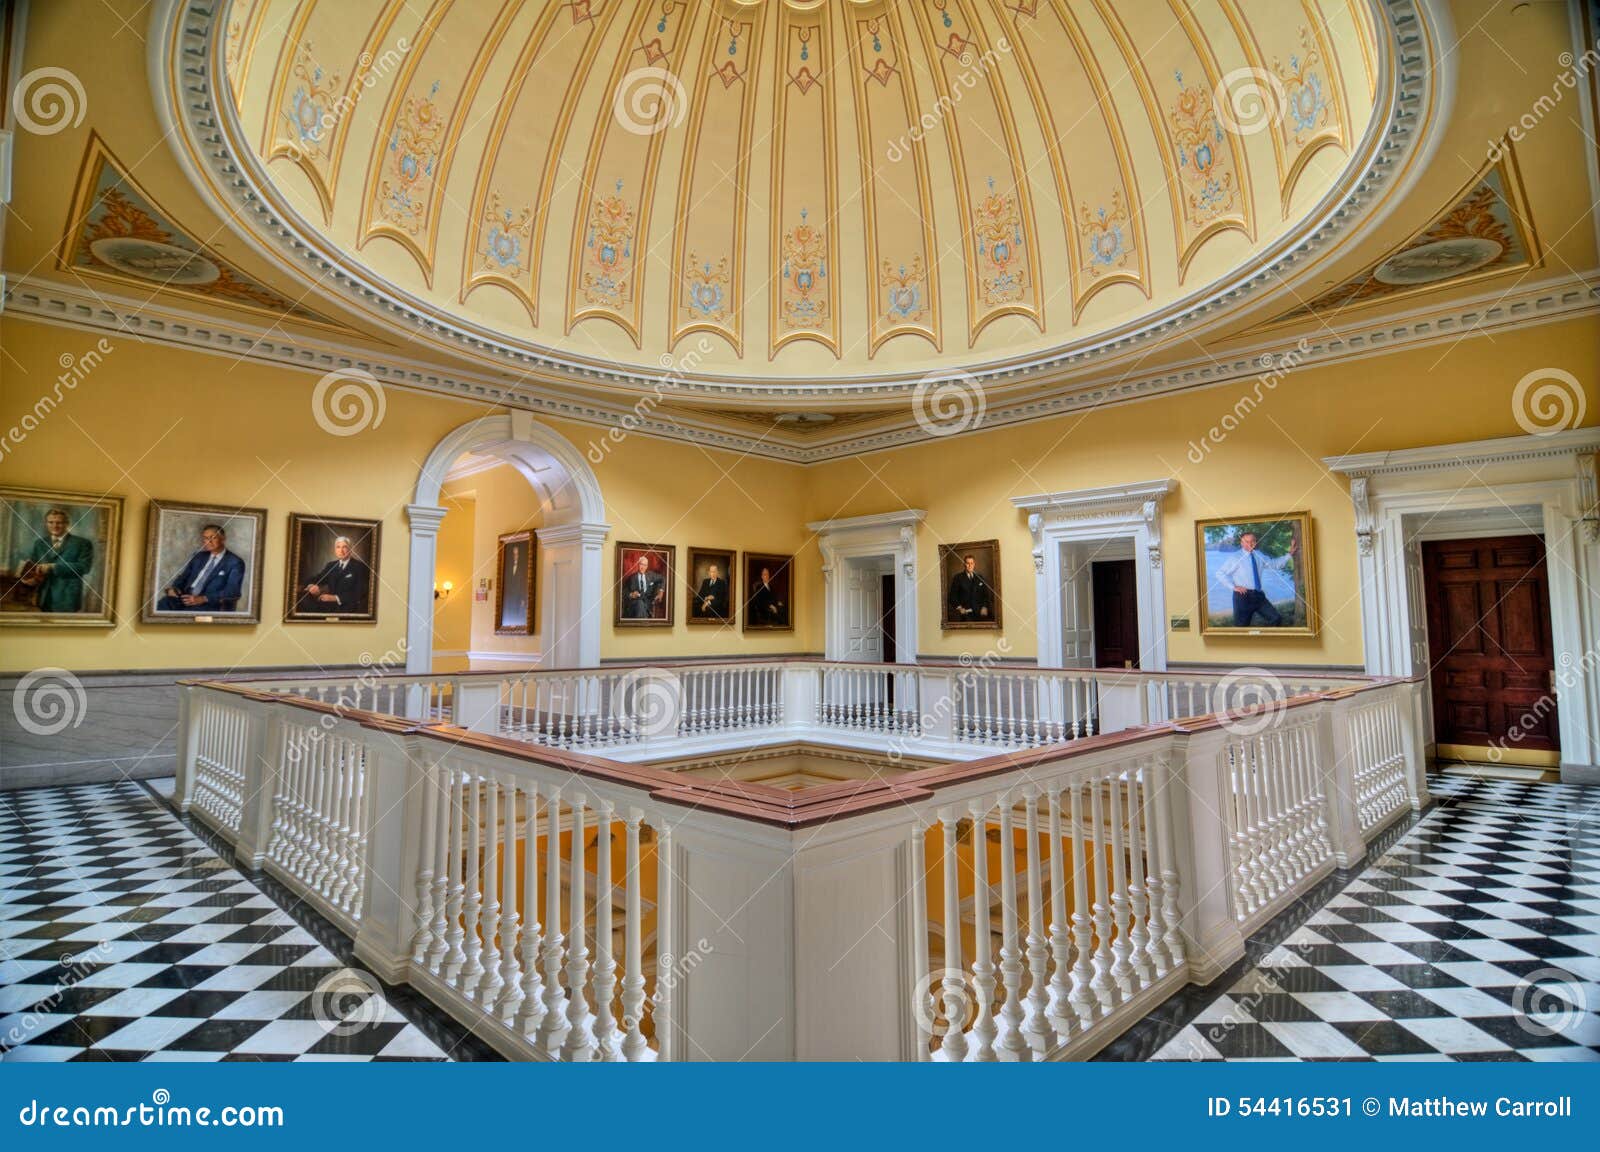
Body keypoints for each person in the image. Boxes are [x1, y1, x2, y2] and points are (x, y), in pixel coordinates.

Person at [15, 507, 94, 613]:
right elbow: (34, 566)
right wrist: (30, 578)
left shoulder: (82, 543)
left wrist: (54, 567)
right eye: (51, 522)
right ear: (46, 524)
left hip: (67, 599)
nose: (54, 526)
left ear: (67, 524)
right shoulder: (39, 543)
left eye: (59, 523)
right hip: (44, 597)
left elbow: (84, 567)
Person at [1215, 530, 1298, 626]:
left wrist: (1289, 554)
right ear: (1242, 543)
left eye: (1252, 541)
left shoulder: (1259, 554)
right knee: (1241, 629)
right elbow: (1220, 573)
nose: (1250, 544)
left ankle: (1264, 640)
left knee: (1276, 618)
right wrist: (1233, 587)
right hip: (1243, 597)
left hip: (1258, 596)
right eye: (1246, 541)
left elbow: (1274, 564)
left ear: (1255, 542)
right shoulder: (1235, 558)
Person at [158, 523, 246, 612]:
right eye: (205, 538)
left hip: (208, 605)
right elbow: (183, 577)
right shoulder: (199, 556)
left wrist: (203, 598)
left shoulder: (235, 562)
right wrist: (175, 588)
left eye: (213, 537)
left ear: (223, 539)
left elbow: (232, 591)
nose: (208, 541)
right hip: (184, 598)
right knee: (162, 605)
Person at [299, 535, 371, 614]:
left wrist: (335, 598)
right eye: (338, 547)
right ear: (335, 550)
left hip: (348, 607)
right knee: (303, 600)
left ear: (350, 549)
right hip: (329, 605)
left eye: (344, 547)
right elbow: (318, 578)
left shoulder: (359, 567)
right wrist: (311, 585)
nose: (341, 550)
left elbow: (360, 592)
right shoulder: (331, 565)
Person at [946, 553, 992, 623]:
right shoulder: (958, 578)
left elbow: (986, 595)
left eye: (972, 563)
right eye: (968, 563)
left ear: (974, 564)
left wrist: (984, 607)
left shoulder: (980, 577)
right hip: (966, 614)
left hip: (980, 613)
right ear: (964, 564)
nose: (970, 565)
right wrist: (960, 608)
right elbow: (952, 596)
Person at [620, 553, 664, 619]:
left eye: (644, 565)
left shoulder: (651, 576)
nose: (642, 567)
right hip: (635, 606)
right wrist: (631, 594)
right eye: (641, 564)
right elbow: (623, 592)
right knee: (639, 604)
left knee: (642, 607)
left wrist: (661, 592)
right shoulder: (631, 578)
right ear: (638, 565)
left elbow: (662, 578)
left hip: (648, 606)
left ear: (647, 566)